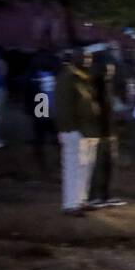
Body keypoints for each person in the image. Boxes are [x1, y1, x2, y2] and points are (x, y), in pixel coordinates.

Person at [53, 50, 101, 216]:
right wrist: (71, 128)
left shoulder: (82, 77)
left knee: (85, 167)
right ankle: (70, 204)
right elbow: (63, 106)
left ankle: (81, 200)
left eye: (89, 57)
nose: (88, 60)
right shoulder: (67, 77)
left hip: (87, 130)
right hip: (75, 130)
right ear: (74, 59)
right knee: (73, 168)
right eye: (84, 57)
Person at [86, 48, 127, 208]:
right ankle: (93, 196)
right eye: (108, 67)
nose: (111, 70)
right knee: (96, 165)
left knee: (108, 164)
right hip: (97, 131)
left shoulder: (108, 85)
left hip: (108, 131)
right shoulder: (93, 86)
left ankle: (105, 195)